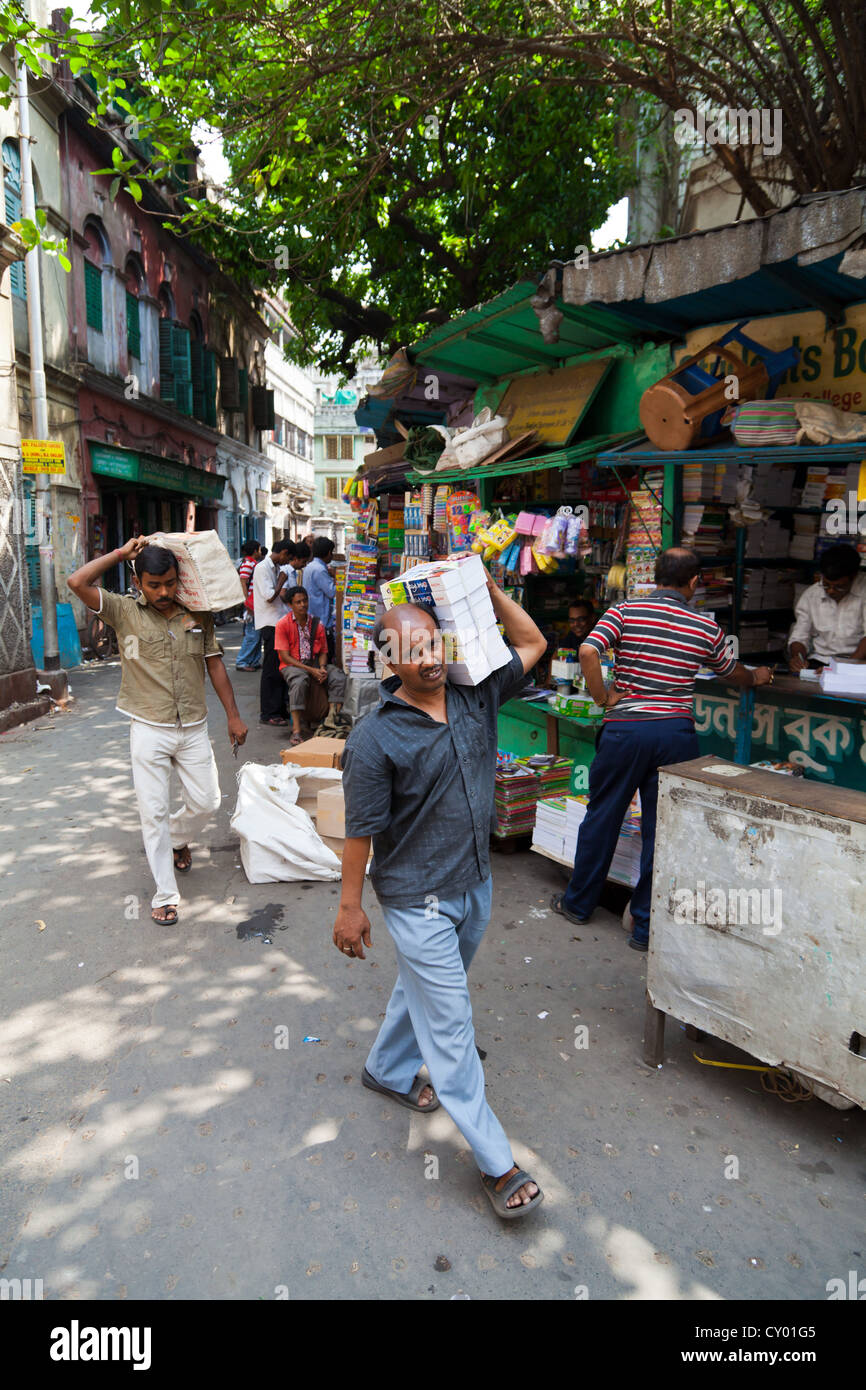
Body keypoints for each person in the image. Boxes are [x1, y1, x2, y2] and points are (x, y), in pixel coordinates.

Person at [334, 574, 549, 1220]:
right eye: (411, 649)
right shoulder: (374, 738)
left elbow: (534, 640)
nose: (427, 657)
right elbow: (360, 831)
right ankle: (497, 1164)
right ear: (388, 661)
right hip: (413, 897)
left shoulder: (475, 694)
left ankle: (387, 1068)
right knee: (452, 1026)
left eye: (434, 643)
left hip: (474, 885)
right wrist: (350, 905)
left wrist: (485, 589)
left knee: (425, 990)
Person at [551, 546, 773, 951]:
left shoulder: (624, 611)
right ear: (693, 583)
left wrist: (602, 697)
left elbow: (587, 651)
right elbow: (731, 673)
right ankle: (644, 927)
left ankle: (578, 904)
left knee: (603, 816)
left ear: (654, 577)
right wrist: (757, 676)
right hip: (675, 734)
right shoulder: (705, 627)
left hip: (626, 731)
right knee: (663, 830)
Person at [67, 537, 248, 926]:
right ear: (138, 582)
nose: (163, 592)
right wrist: (119, 553)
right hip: (148, 726)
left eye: (169, 582)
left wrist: (233, 715)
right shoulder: (122, 610)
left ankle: (176, 838)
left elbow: (215, 665)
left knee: (208, 802)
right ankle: (166, 893)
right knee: (153, 811)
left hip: (194, 726)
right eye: (154, 584)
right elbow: (77, 582)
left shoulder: (197, 614)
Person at [274, 586, 348, 746]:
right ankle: (296, 730)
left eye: (305, 600)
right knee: (299, 680)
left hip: (314, 663)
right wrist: (311, 670)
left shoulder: (316, 623)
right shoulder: (282, 624)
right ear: (290, 605)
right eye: (298, 602)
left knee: (337, 676)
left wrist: (321, 668)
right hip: (292, 664)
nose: (303, 605)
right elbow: (285, 657)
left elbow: (323, 651)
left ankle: (331, 722)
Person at [788, 544, 866, 670]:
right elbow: (800, 636)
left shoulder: (864, 592)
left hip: (857, 663)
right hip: (820, 661)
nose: (830, 591)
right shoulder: (812, 594)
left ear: (854, 577)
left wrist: (842, 669)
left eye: (839, 586)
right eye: (826, 585)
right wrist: (798, 658)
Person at [252, 537, 296, 726]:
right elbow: (270, 596)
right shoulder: (263, 568)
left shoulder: (276, 568)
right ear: (284, 553)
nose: (288, 563)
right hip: (269, 624)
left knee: (279, 669)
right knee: (270, 670)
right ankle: (268, 712)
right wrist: (281, 581)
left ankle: (277, 709)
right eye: (288, 558)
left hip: (278, 622)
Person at [304, 536, 338, 656]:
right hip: (321, 619)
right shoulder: (319, 570)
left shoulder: (311, 566)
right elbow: (332, 592)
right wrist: (336, 576)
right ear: (328, 552)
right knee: (323, 653)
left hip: (314, 615)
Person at [235, 540, 263, 671]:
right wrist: (246, 601)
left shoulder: (252, 563)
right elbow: (243, 582)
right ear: (255, 551)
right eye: (259, 549)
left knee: (256, 634)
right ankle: (243, 661)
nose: (260, 552)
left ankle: (253, 661)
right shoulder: (248, 564)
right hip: (251, 604)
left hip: (253, 603)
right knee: (252, 634)